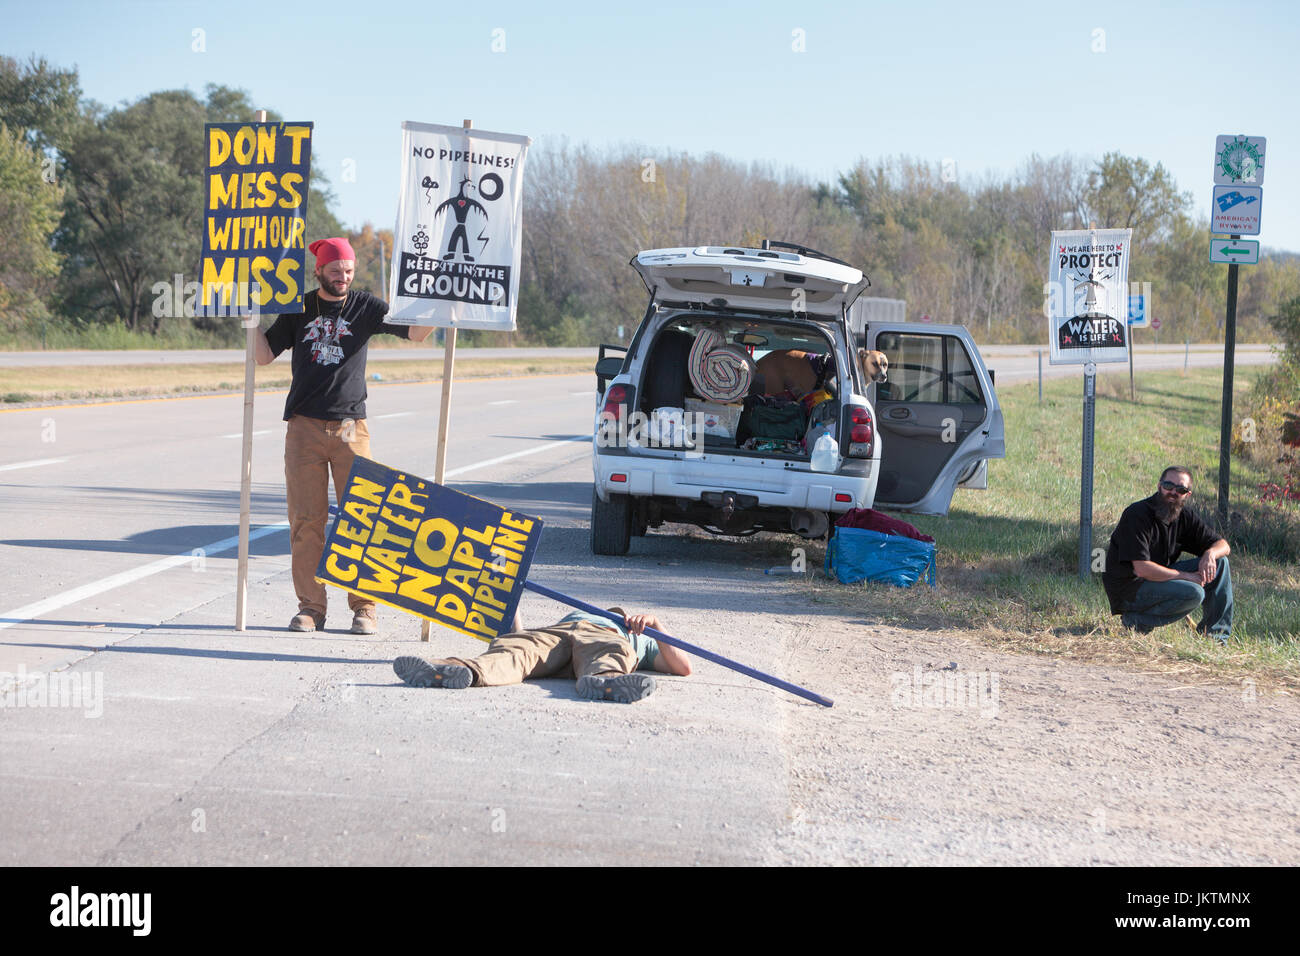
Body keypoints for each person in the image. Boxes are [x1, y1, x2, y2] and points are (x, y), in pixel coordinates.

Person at [255, 237, 433, 635]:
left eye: (349, 270)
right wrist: (248, 316)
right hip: (303, 428)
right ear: (318, 270)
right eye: (335, 270)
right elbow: (264, 356)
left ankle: (365, 608)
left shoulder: (365, 307)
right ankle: (311, 608)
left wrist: (446, 304)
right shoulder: (299, 306)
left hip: (352, 428)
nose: (343, 277)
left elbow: (417, 334)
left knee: (363, 518)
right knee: (306, 522)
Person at [393, 607, 693, 703]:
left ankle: (606, 681)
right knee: (517, 648)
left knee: (609, 653)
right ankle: (459, 670)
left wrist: (654, 624)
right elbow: (518, 635)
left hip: (604, 639)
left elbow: (683, 667)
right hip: (557, 632)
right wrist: (513, 610)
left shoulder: (640, 637)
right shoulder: (581, 614)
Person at [1102, 466, 1233, 642]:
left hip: (1157, 579)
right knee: (1194, 593)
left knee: (1220, 562)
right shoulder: (1137, 514)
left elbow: (1224, 545)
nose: (1173, 492)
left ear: (1187, 494)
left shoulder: (1185, 516)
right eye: (1168, 485)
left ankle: (1215, 638)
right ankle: (1137, 621)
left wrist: (1209, 553)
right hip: (1129, 588)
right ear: (1159, 486)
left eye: (1180, 489)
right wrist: (1187, 576)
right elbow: (1142, 569)